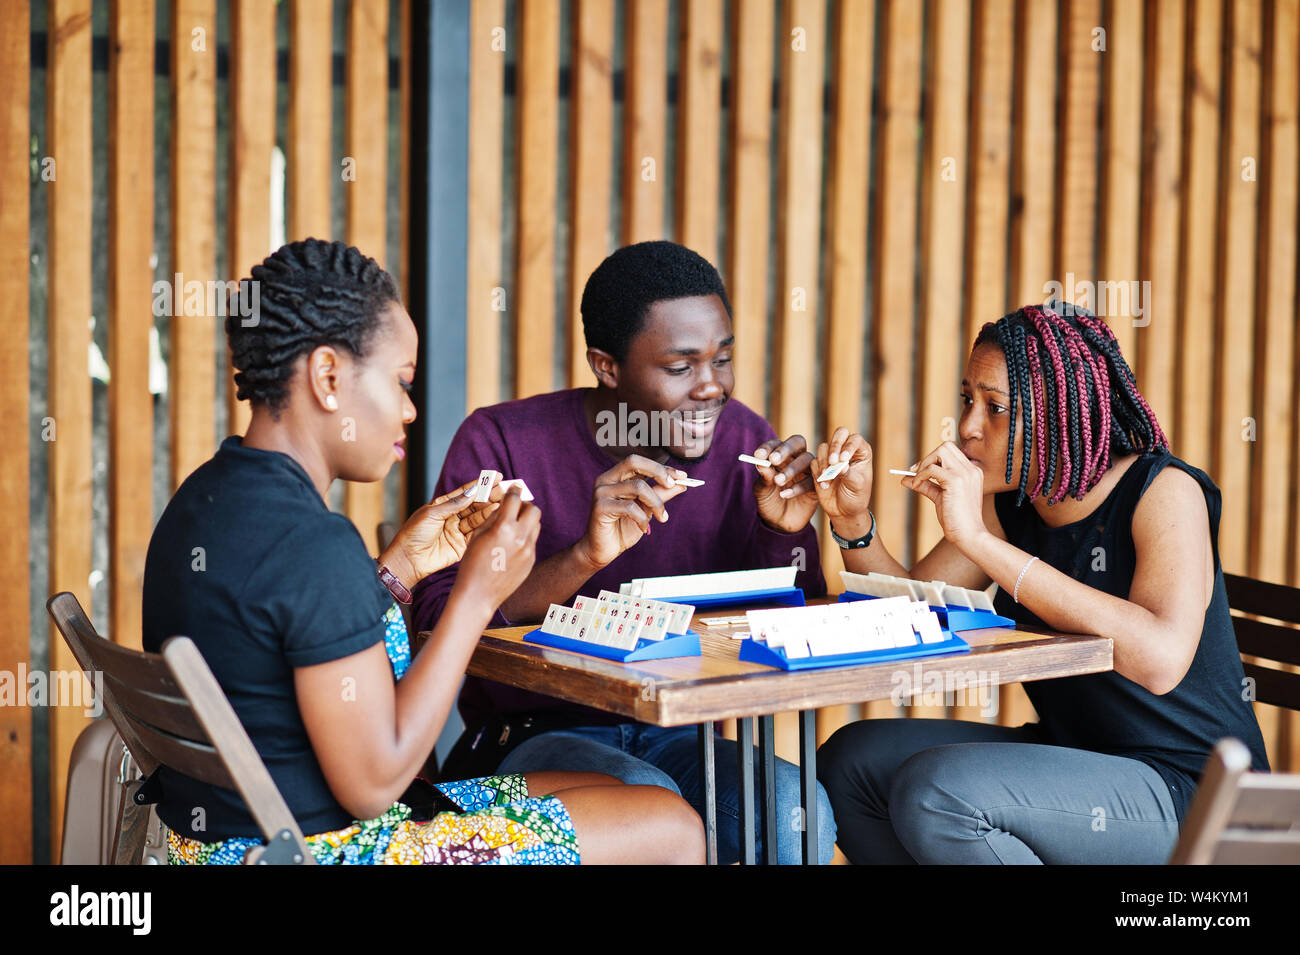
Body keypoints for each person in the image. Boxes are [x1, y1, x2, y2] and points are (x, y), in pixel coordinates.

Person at [141, 238, 704, 864]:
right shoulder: (311, 542)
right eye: (401, 383)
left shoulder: (207, 499)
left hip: (226, 841)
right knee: (670, 827)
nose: (410, 410)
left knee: (611, 790)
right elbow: (375, 783)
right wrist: (474, 595)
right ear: (328, 378)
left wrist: (400, 568)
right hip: (325, 849)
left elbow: (285, 647)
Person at [412, 240, 837, 864]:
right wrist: (583, 556)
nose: (711, 387)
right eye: (680, 366)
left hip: (683, 733)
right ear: (606, 366)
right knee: (646, 804)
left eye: (722, 358)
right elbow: (434, 626)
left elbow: (792, 628)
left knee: (791, 811)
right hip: (528, 737)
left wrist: (784, 532)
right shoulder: (503, 442)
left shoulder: (743, 439)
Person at [812, 302, 1269, 864]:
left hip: (1190, 792)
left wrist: (980, 542)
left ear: (1061, 416)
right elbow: (908, 618)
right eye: (968, 401)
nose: (969, 427)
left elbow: (1159, 658)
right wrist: (852, 524)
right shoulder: (1013, 507)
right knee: (848, 764)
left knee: (940, 792)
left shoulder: (1164, 492)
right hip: (1074, 756)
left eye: (996, 407)